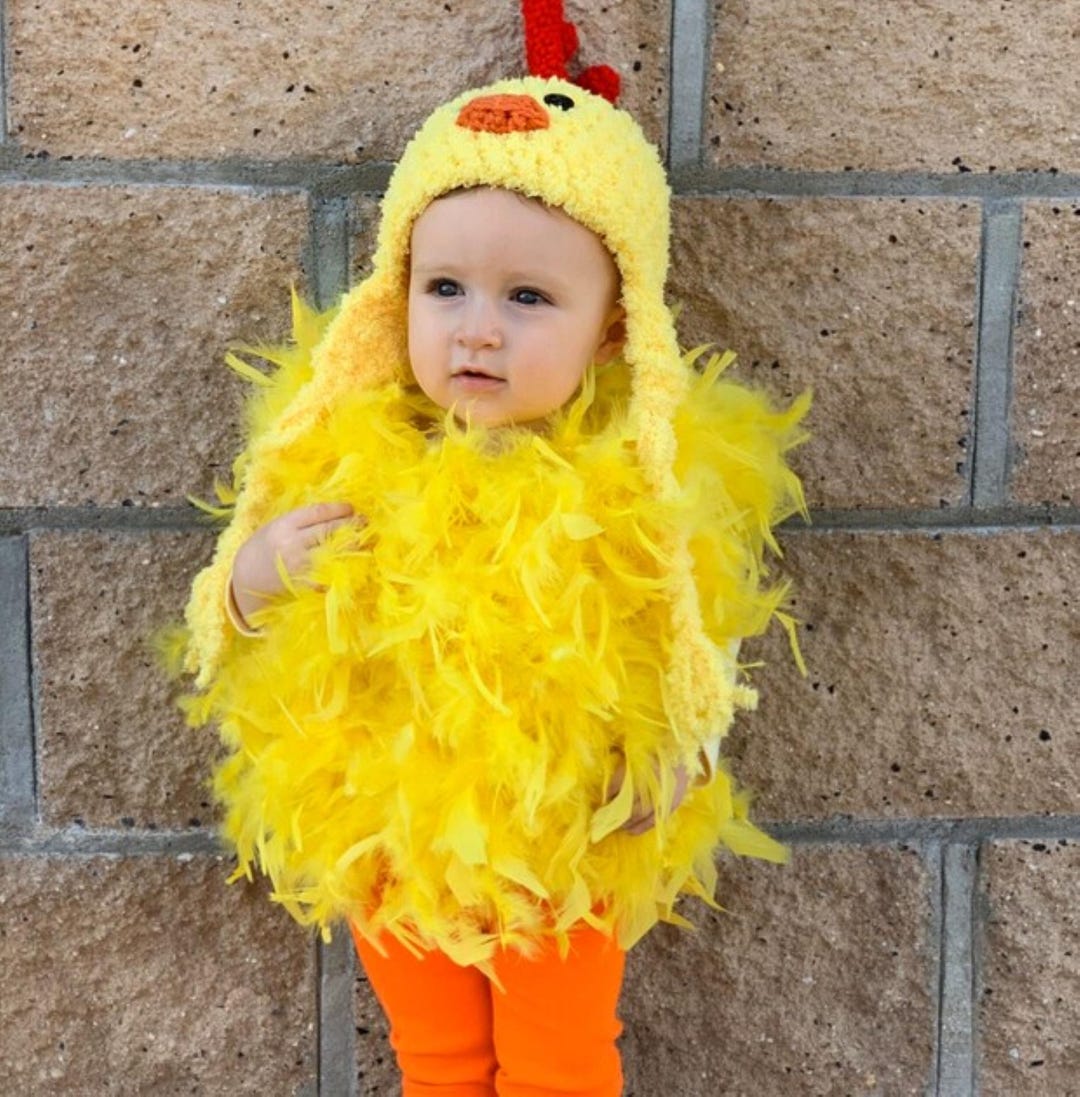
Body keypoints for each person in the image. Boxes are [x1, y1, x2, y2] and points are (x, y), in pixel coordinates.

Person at [178, 76, 808, 1096]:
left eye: (528, 297)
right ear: (396, 292)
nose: (477, 329)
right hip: (391, 830)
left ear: (614, 329)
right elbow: (232, 634)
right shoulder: (342, 460)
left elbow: (699, 633)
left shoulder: (637, 486)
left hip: (568, 833)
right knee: (439, 1061)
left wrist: (680, 749)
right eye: (445, 288)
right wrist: (252, 582)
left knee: (559, 1059)